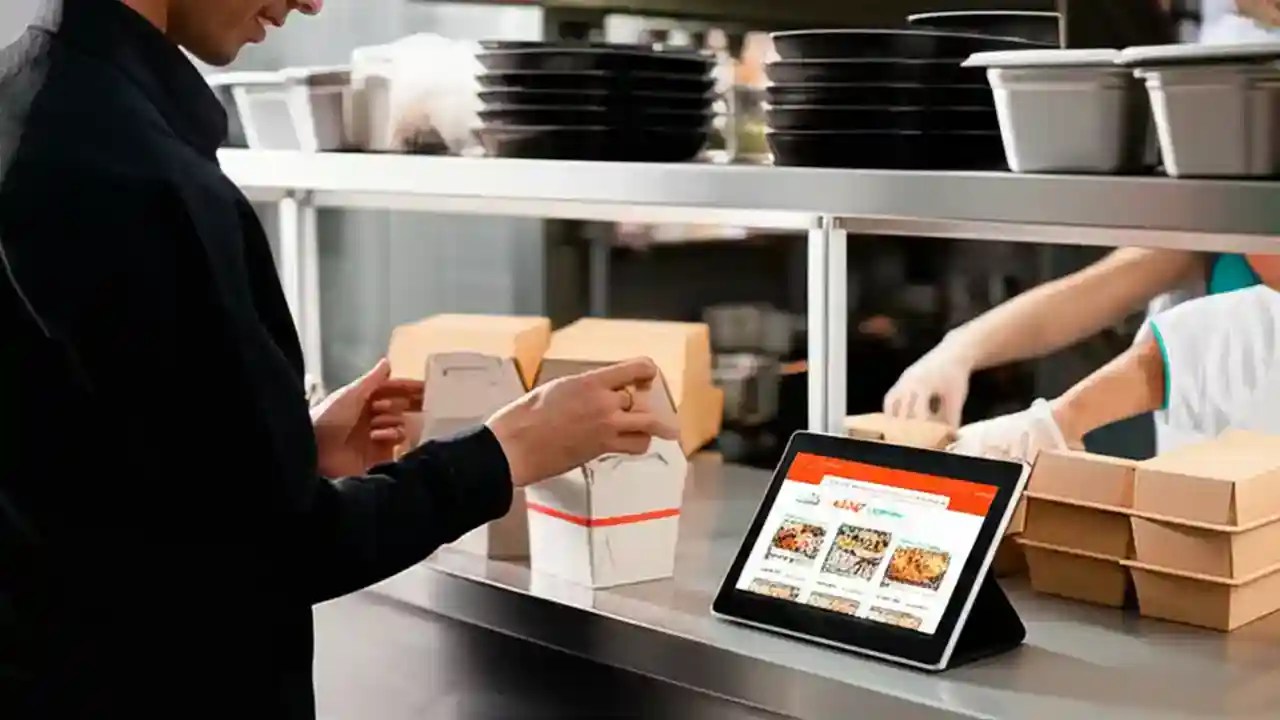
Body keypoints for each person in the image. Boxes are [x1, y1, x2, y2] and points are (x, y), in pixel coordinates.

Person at [0, 1, 677, 717]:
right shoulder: (130, 173)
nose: (312, 1)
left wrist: (289, 452)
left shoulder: (34, 98)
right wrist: (508, 451)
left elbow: (106, 470)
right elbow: (273, 553)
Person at [951, 259, 1279, 463]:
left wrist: (1059, 421)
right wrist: (958, 352)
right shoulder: (1221, 218)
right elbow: (1101, 289)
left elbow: (1235, 344)